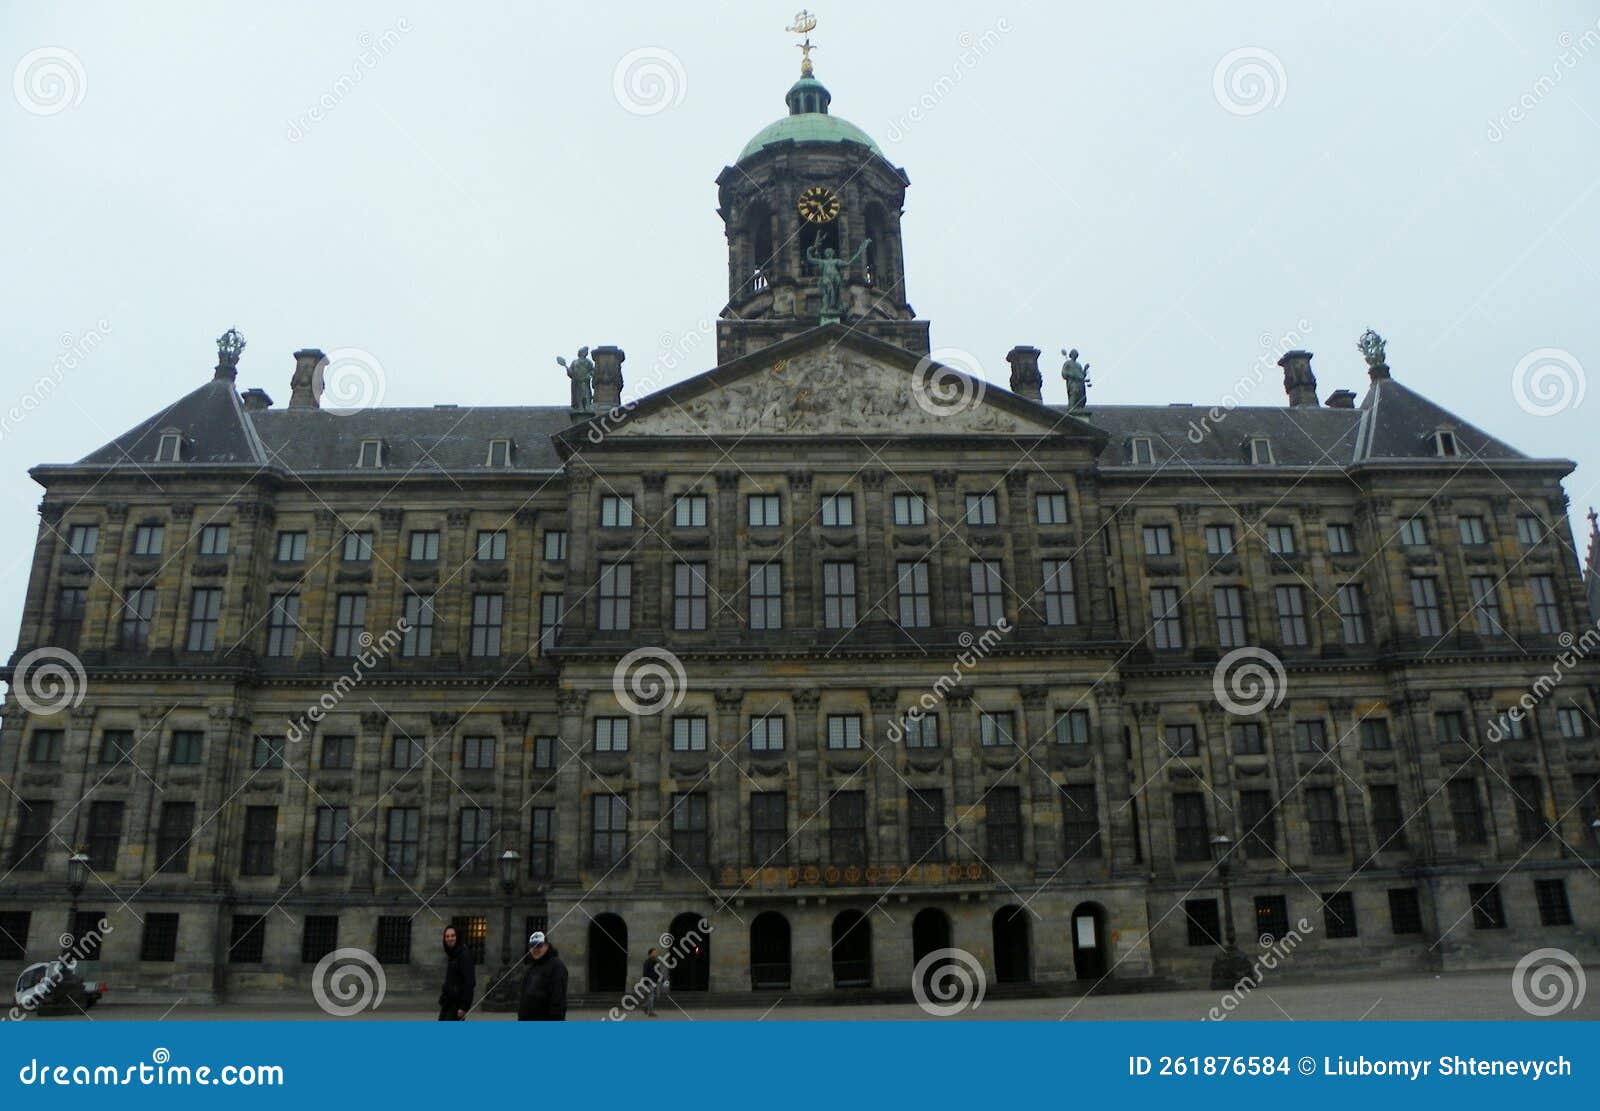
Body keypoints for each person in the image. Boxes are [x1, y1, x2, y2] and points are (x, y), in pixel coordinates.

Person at [516, 931, 568, 1021]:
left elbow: (558, 997)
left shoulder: (556, 966)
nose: (535, 949)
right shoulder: (530, 968)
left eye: (539, 945)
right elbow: (524, 996)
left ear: (547, 946)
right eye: (532, 946)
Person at [438, 925, 475, 1021]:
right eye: (447, 936)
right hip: (448, 1002)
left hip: (457, 1004)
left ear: (457, 937)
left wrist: (464, 1006)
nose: (450, 939)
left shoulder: (464, 954)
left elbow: (469, 981)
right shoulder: (453, 954)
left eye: (453, 936)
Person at [641, 947, 662, 1018]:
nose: (655, 954)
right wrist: (647, 982)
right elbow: (645, 973)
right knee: (651, 996)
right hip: (649, 982)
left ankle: (645, 1006)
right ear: (650, 954)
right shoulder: (647, 962)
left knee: (656, 996)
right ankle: (651, 1012)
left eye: (656, 952)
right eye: (654, 953)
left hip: (655, 982)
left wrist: (661, 979)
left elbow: (659, 972)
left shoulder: (656, 962)